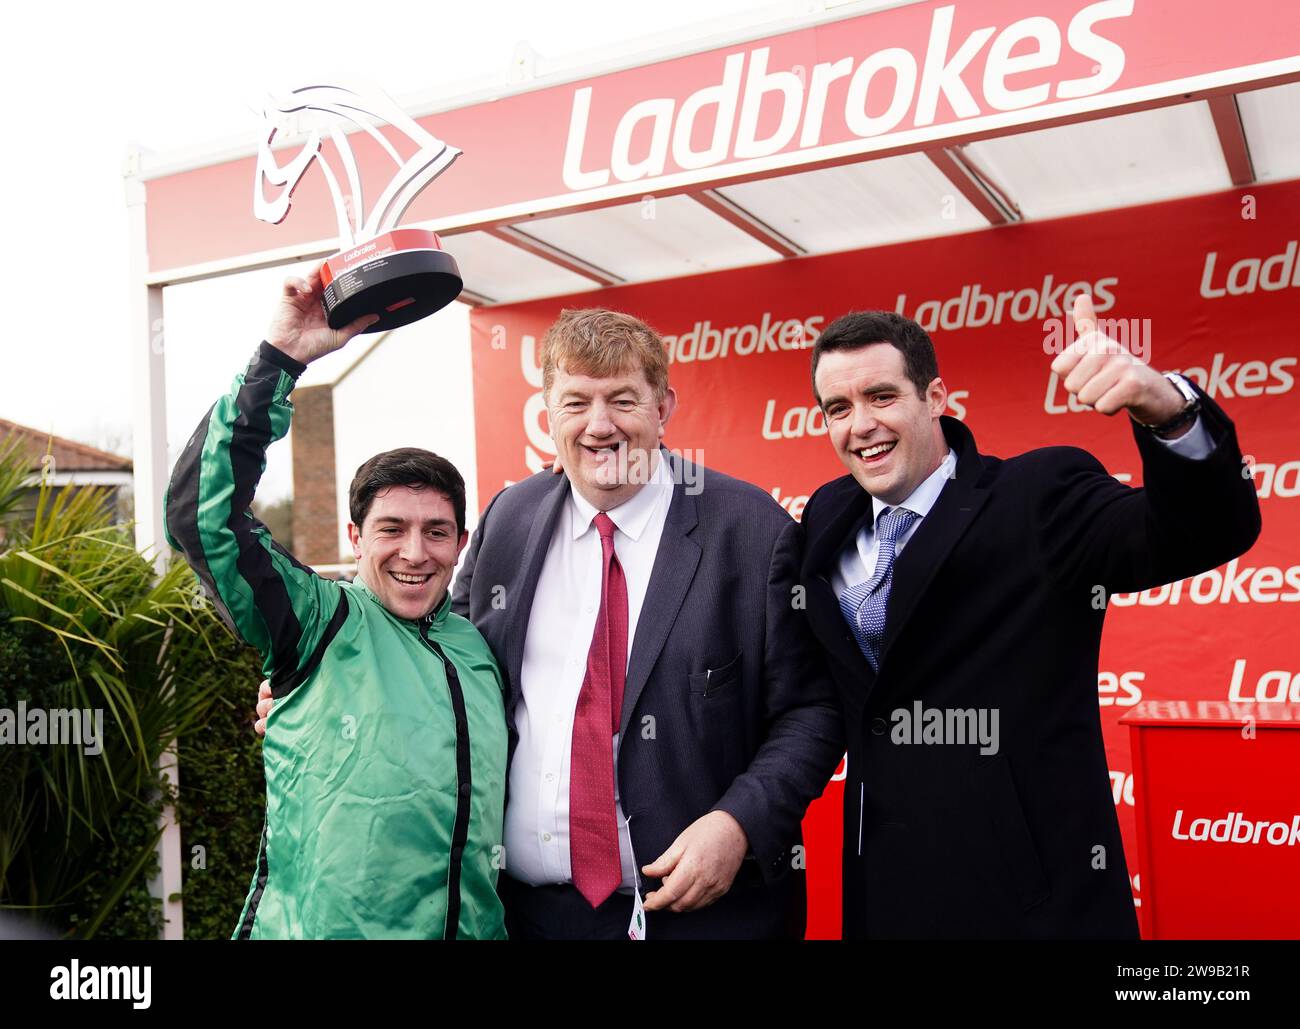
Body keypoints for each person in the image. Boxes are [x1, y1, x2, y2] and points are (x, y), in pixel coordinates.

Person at [798, 295, 1261, 939]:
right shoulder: (826, 513)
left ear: (936, 398)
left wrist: (1167, 408)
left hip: (1028, 900)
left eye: (881, 397)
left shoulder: (1036, 494)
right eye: (838, 409)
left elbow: (1205, 530)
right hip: (884, 887)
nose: (860, 425)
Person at [452, 307, 844, 939]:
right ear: (549, 413)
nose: (599, 426)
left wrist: (738, 825)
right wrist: (329, 691)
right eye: (576, 402)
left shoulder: (753, 530)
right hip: (526, 918)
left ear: (664, 407)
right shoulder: (509, 519)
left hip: (707, 919)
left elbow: (814, 709)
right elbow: (446, 664)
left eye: (623, 401)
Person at [166, 269, 508, 939]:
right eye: (391, 528)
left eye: (436, 531)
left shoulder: (478, 648)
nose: (415, 551)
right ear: (354, 537)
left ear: (461, 542)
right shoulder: (316, 621)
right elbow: (202, 518)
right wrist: (280, 358)